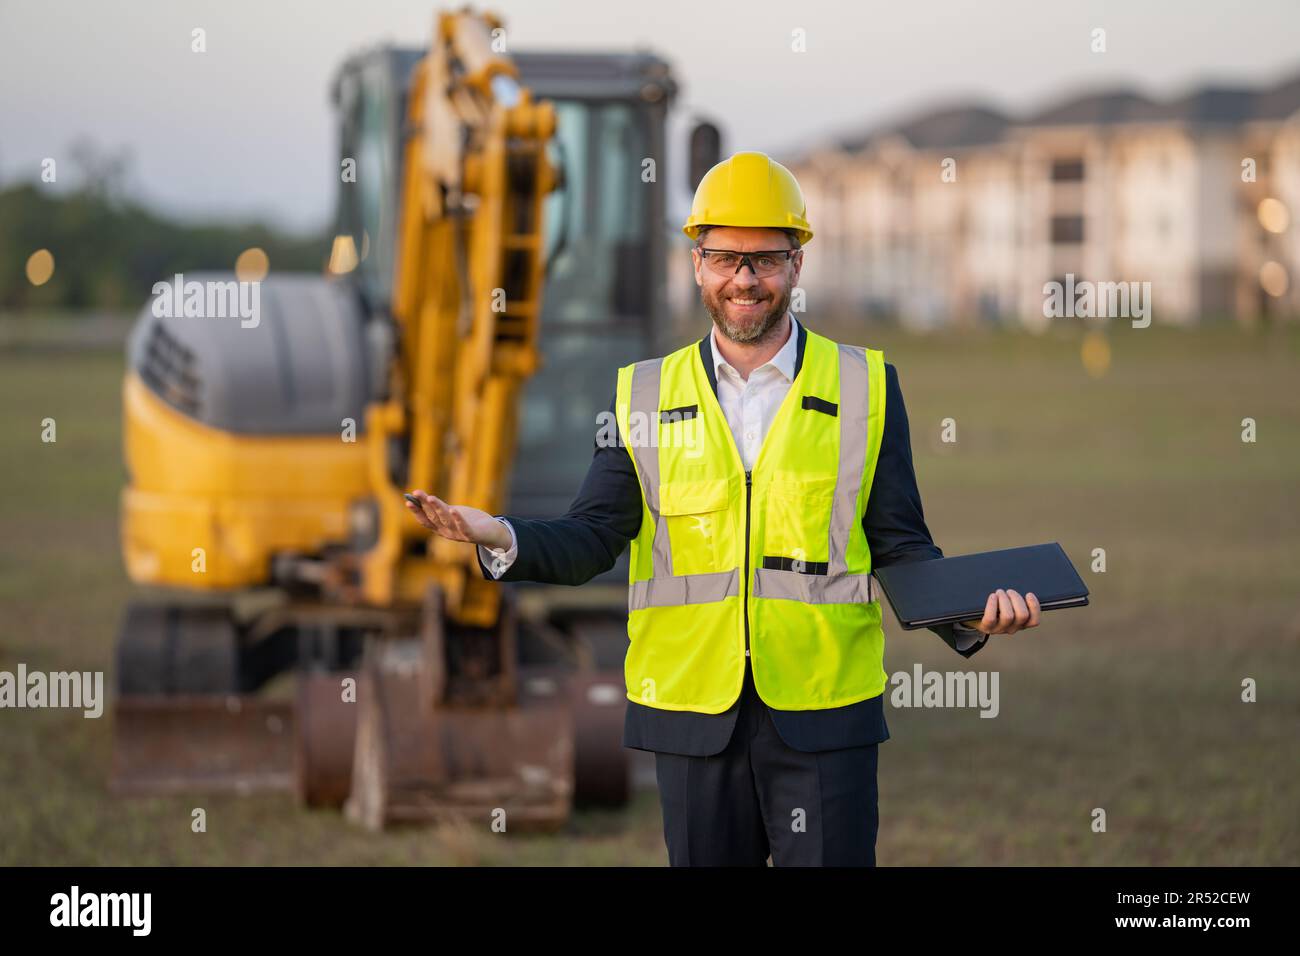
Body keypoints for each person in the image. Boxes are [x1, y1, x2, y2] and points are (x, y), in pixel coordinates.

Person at [405, 151, 1040, 866]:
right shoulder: (639, 396)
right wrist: (498, 534)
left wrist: (968, 615)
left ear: (797, 265)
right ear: (698, 264)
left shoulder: (867, 386)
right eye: (725, 258)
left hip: (825, 718)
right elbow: (594, 537)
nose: (745, 279)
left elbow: (900, 546)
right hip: (693, 720)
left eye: (765, 259)